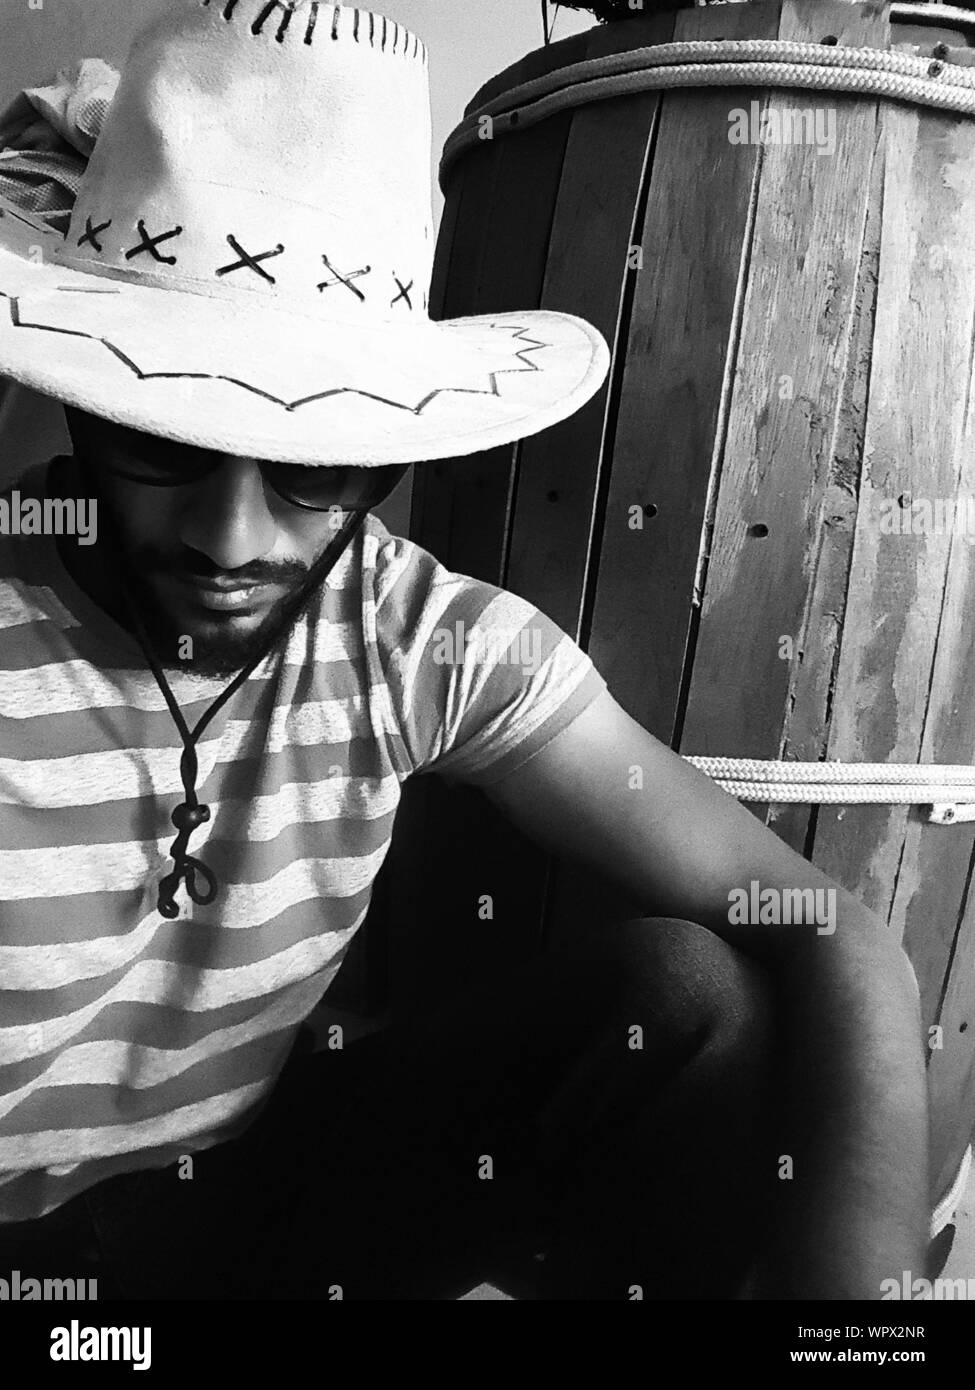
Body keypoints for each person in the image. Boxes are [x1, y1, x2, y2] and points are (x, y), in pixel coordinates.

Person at [0, 0, 927, 1300]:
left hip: (241, 1199)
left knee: (683, 993)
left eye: (319, 462)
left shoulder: (414, 634)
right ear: (82, 415)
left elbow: (816, 918)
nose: (230, 535)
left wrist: (866, 1309)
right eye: (164, 437)